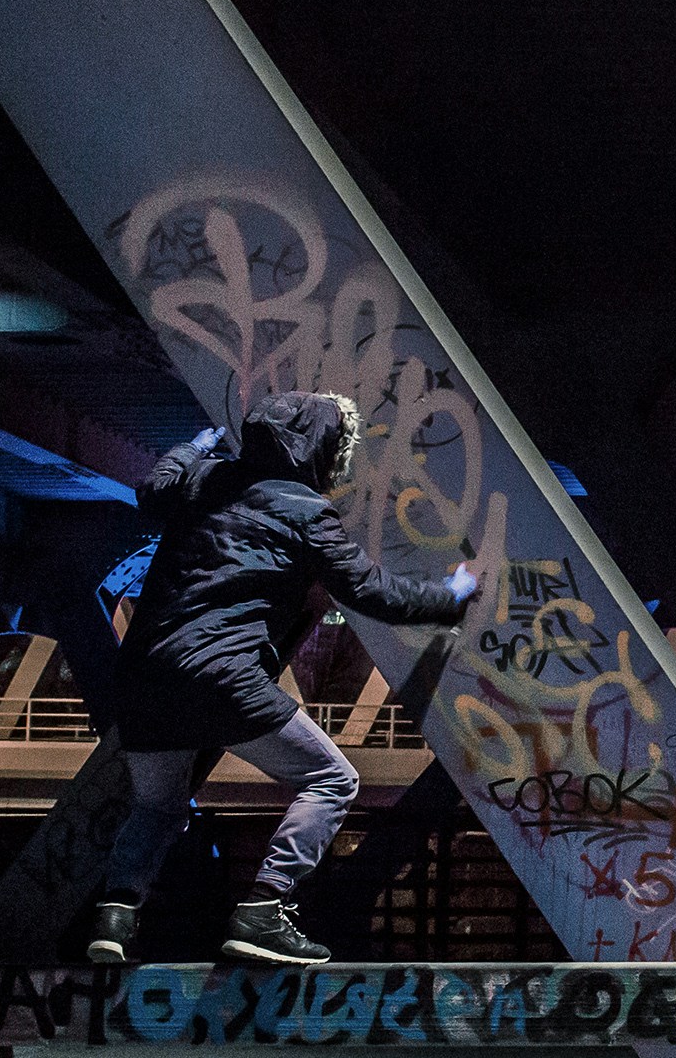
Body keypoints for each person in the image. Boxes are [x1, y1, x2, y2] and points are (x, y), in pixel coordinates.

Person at [86, 391, 479, 967]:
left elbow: (153, 489)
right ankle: (265, 911)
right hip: (220, 676)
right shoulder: (307, 512)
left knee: (158, 806)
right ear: (323, 451)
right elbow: (370, 591)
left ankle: (115, 918)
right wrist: (448, 597)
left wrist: (194, 448)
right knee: (331, 779)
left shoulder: (204, 480)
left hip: (142, 678)